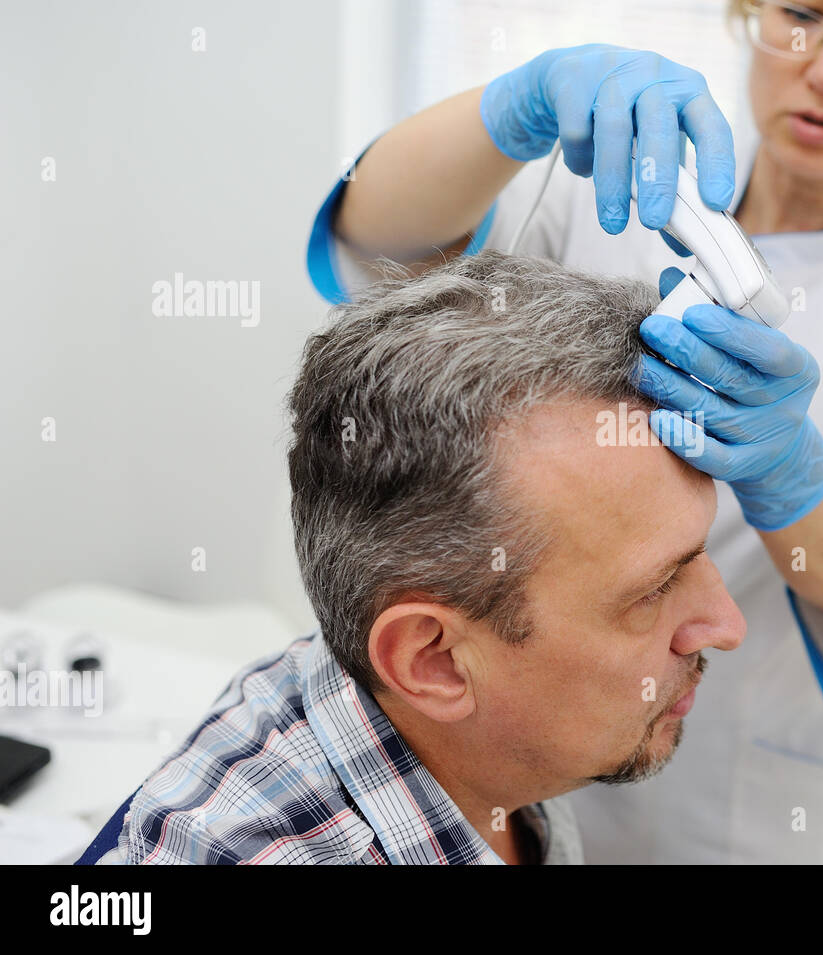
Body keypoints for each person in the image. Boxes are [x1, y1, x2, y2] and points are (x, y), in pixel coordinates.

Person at [306, 0, 823, 863]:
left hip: (743, 800)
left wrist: (791, 470)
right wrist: (515, 107)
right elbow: (378, 244)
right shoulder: (613, 187)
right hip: (517, 749)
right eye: (803, 13)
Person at [77, 251, 746, 865]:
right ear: (433, 659)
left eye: (697, 553)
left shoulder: (492, 747)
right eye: (654, 590)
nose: (726, 623)